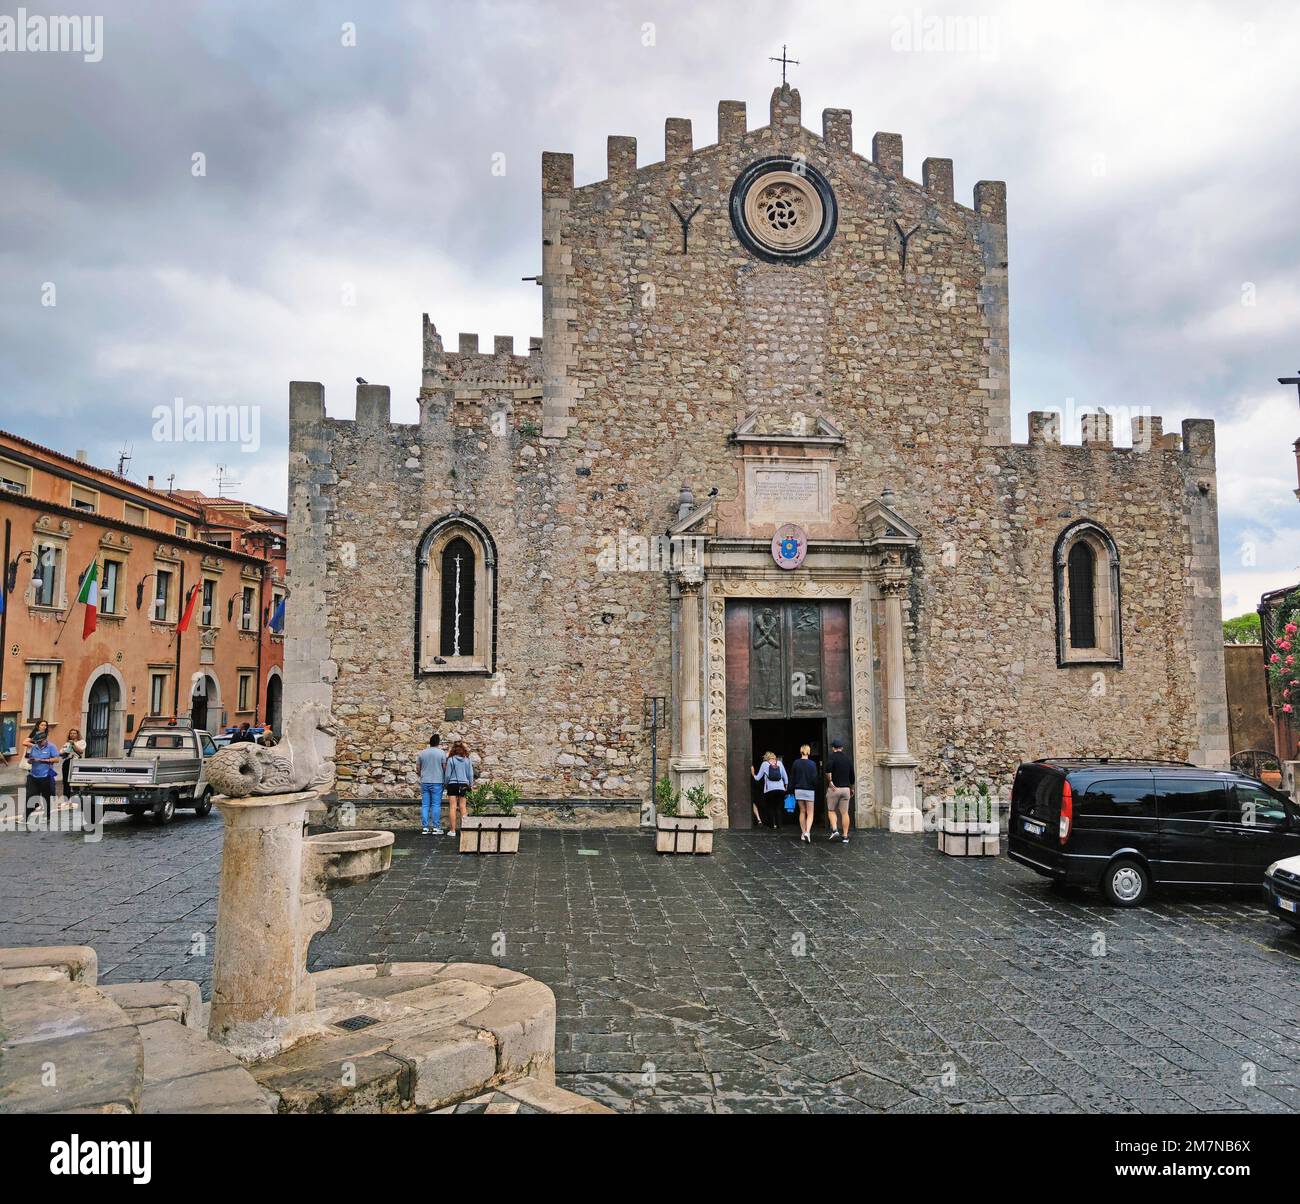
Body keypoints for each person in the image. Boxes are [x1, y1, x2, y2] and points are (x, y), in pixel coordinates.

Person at [25, 728, 60, 824]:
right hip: (33, 775)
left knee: (46, 797)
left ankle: (47, 816)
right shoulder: (34, 747)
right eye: (37, 742)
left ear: (45, 739)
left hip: (45, 776)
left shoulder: (51, 747)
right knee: (30, 796)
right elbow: (29, 759)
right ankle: (26, 816)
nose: (39, 743)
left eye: (40, 741)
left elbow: (56, 759)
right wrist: (30, 760)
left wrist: (43, 760)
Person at [825, 738, 855, 844]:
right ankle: (845, 836)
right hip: (846, 789)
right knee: (845, 813)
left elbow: (828, 769)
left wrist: (830, 781)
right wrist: (851, 787)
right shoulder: (848, 758)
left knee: (831, 810)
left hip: (834, 788)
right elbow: (852, 775)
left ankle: (834, 829)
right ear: (842, 748)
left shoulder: (832, 757)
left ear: (833, 748)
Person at [417, 733, 448, 835]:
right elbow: (444, 768)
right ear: (438, 743)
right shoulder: (441, 753)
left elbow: (418, 768)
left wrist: (422, 774)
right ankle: (436, 827)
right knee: (436, 804)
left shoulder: (422, 753)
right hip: (437, 781)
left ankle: (425, 827)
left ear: (430, 742)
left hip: (425, 781)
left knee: (425, 805)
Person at [444, 740, 474, 838]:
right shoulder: (467, 760)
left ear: (453, 750)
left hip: (452, 784)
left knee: (453, 807)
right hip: (464, 784)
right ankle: (464, 830)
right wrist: (471, 784)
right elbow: (470, 774)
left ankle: (452, 831)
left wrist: (446, 783)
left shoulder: (451, 760)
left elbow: (447, 775)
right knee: (463, 807)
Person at [751, 751, 787, 829]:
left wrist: (753, 773)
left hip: (769, 790)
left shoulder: (764, 764)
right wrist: (785, 787)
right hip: (780, 789)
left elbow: (757, 778)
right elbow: (785, 777)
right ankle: (779, 825)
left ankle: (772, 825)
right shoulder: (779, 763)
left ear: (766, 757)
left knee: (770, 807)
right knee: (778, 807)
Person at [790, 743, 818, 843]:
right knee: (810, 813)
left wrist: (790, 788)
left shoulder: (796, 763)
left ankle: (803, 833)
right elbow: (815, 778)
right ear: (809, 751)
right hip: (809, 790)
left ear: (801, 751)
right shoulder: (812, 764)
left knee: (802, 811)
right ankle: (807, 832)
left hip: (799, 789)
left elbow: (792, 777)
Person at [60, 728, 86, 799]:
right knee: (66, 781)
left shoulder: (81, 742)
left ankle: (76, 797)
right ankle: (66, 798)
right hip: (67, 761)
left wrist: (73, 744)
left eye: (74, 733)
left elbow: (80, 751)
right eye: (71, 733)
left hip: (76, 762)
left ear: (77, 734)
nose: (72, 734)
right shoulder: (67, 743)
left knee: (75, 780)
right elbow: (61, 752)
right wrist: (64, 752)